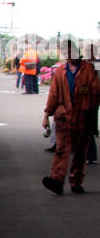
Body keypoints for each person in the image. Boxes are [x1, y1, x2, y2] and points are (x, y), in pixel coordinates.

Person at [42, 55, 100, 195]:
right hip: (64, 117)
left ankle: (76, 181)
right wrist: (47, 115)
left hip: (83, 117)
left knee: (80, 152)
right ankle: (56, 180)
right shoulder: (61, 72)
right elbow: (53, 95)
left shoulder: (88, 71)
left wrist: (90, 114)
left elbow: (96, 94)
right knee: (62, 149)